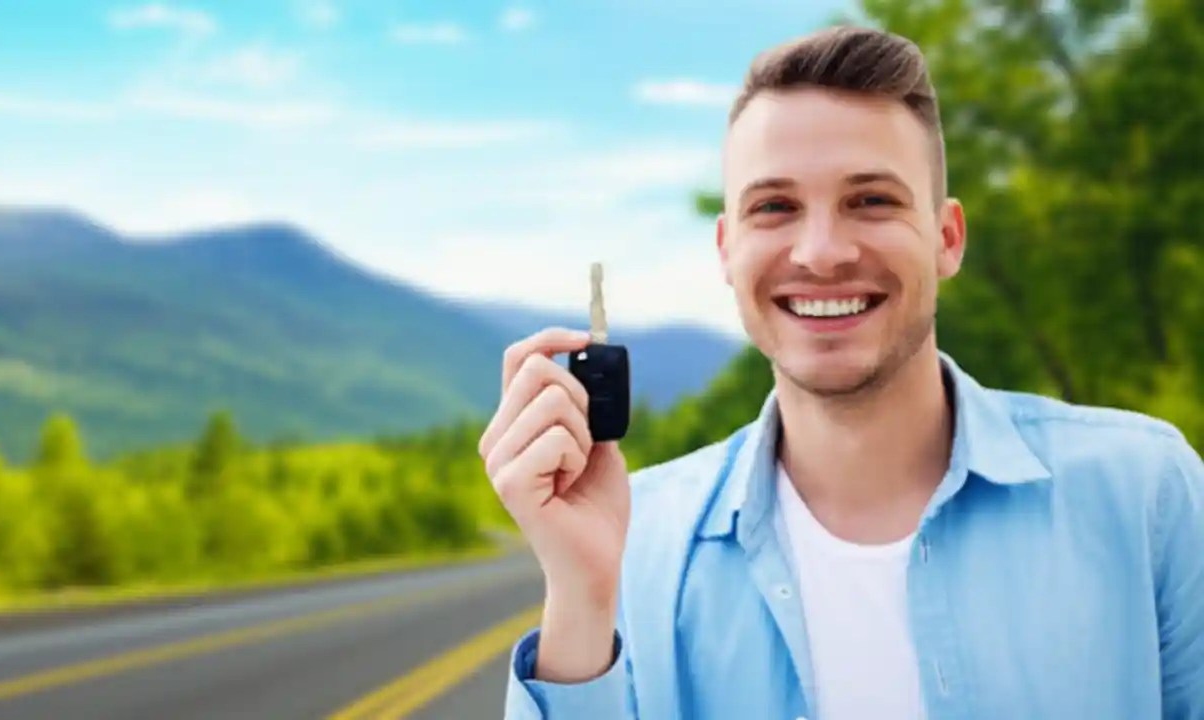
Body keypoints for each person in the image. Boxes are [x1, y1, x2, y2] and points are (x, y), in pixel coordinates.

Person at [477, 24, 1204, 720]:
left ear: (947, 238)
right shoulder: (634, 538)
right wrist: (581, 596)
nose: (821, 253)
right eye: (775, 207)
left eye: (871, 201)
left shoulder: (1145, 493)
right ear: (727, 250)